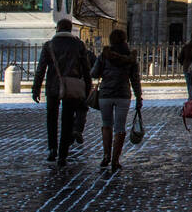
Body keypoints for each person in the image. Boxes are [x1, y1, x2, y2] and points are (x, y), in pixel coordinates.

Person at [32, 19, 93, 167]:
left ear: (57, 29)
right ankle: (63, 155)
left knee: (51, 118)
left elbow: (41, 69)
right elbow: (86, 68)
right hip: (71, 86)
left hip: (53, 86)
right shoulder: (78, 45)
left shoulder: (49, 45)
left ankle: (52, 149)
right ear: (71, 29)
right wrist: (88, 87)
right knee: (67, 120)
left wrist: (36, 88)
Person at [91, 30, 142, 173]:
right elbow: (135, 80)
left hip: (106, 95)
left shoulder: (105, 56)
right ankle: (115, 160)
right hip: (122, 95)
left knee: (106, 125)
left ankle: (106, 155)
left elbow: (94, 73)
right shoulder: (130, 58)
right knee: (120, 128)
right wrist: (139, 97)